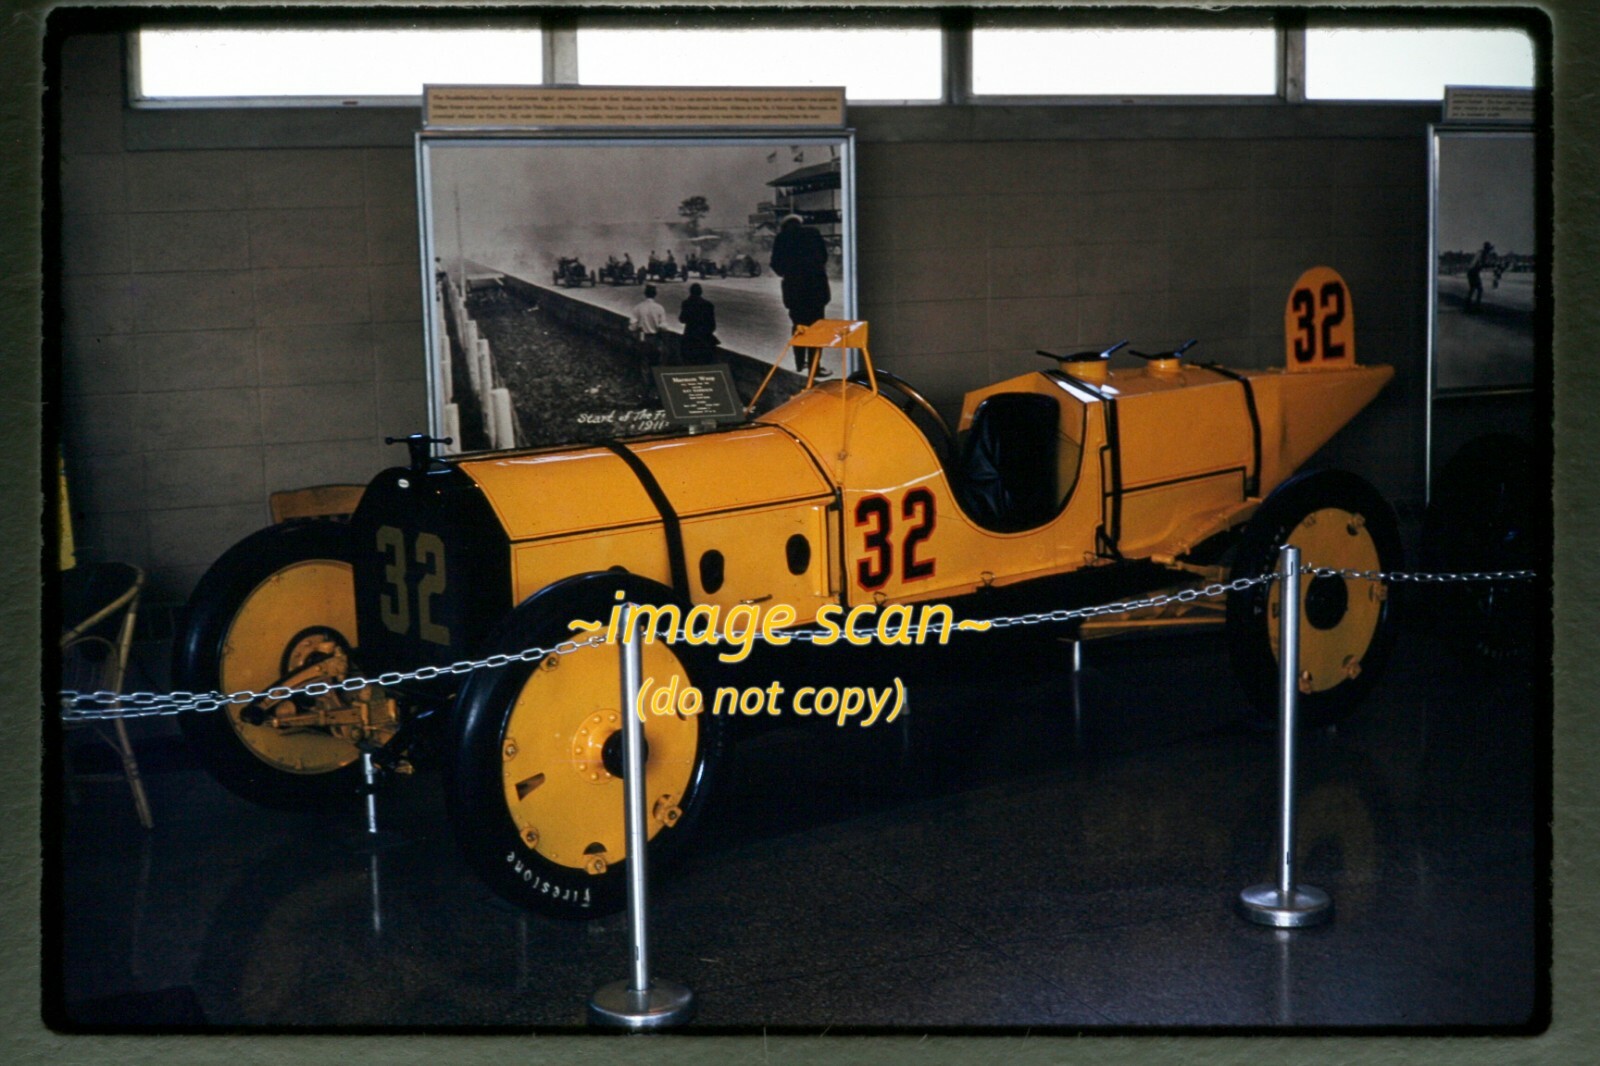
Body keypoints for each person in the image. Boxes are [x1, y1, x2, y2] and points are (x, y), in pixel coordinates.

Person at [769, 213, 832, 378]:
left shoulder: (781, 238)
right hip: (816, 289)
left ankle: (799, 363)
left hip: (795, 290)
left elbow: (776, 264)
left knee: (798, 326)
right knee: (816, 328)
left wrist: (789, 273)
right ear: (799, 223)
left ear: (785, 226)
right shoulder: (813, 233)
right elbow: (824, 257)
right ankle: (814, 366)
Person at [628, 284, 668, 385]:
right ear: (655, 294)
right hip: (655, 339)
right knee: (656, 362)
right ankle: (657, 387)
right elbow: (663, 326)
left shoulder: (638, 307)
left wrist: (634, 330)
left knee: (644, 363)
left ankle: (646, 388)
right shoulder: (660, 308)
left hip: (643, 338)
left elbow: (632, 326)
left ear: (645, 294)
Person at [678, 282, 719, 364]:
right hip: (704, 341)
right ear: (701, 292)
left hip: (690, 339)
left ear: (690, 292)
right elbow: (712, 326)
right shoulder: (708, 305)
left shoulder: (686, 303)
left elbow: (682, 319)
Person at [1466, 241, 1495, 311]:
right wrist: (1491, 265)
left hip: (1471, 271)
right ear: (1487, 249)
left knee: (1472, 289)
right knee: (1479, 289)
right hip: (1474, 272)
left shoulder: (1479, 252)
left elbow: (1479, 263)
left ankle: (1467, 305)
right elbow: (1481, 264)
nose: (1489, 251)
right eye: (1489, 249)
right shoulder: (1483, 254)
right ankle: (1476, 306)